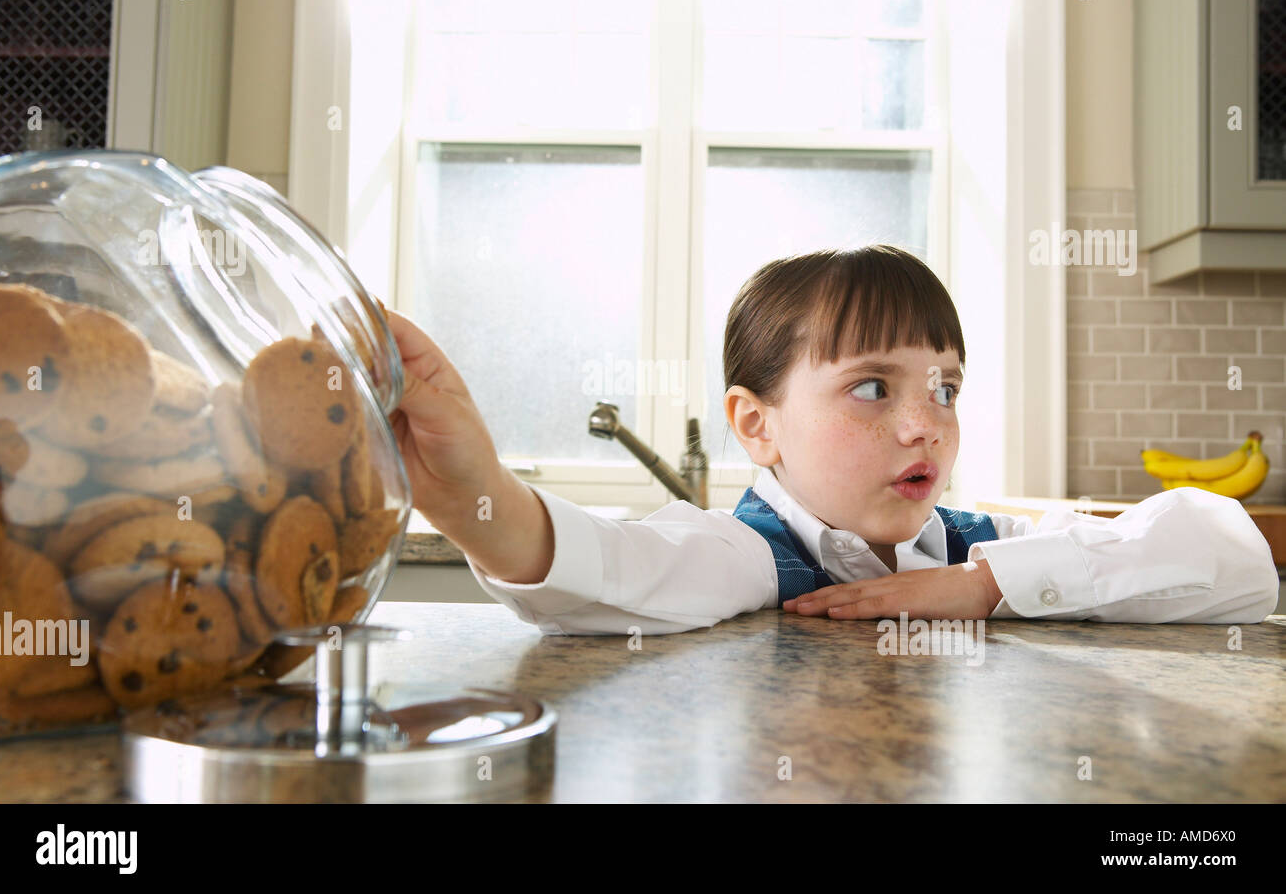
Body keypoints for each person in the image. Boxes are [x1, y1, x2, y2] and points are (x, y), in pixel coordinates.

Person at [383, 245, 1279, 635]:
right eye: (871, 386)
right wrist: (474, 496)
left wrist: (984, 587)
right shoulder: (750, 553)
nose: (923, 420)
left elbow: (1228, 559)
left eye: (946, 387)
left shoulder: (976, 547)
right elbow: (619, 572)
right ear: (755, 424)